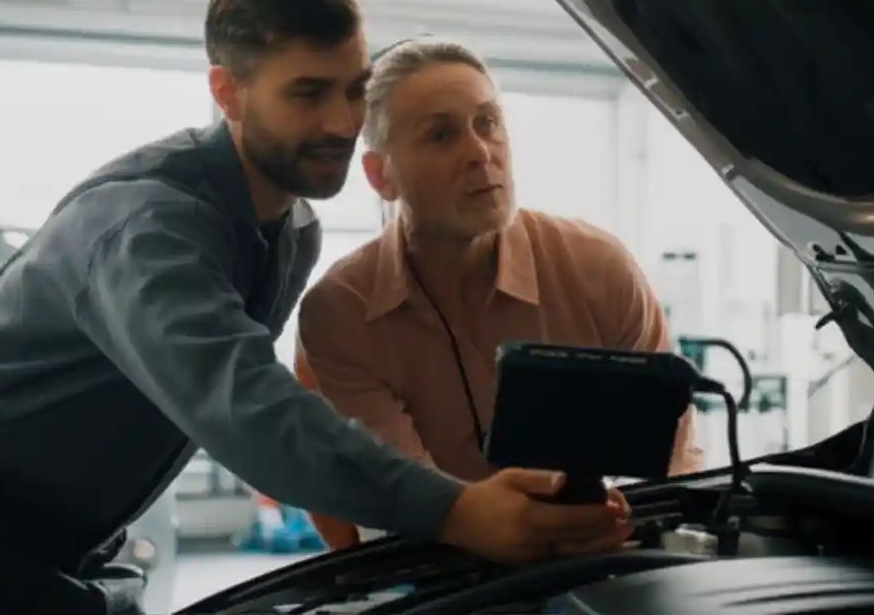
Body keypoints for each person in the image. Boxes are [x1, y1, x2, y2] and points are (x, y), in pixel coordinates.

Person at [0, 0, 631, 614]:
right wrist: (456, 510)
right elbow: (243, 406)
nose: (342, 122)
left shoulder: (293, 230)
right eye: (308, 93)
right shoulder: (146, 227)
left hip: (67, 545)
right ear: (229, 91)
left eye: (354, 90)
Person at [294, 37, 703, 550]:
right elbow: (402, 505)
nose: (479, 152)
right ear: (382, 176)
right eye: (441, 135)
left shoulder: (600, 270)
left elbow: (671, 468)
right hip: (441, 572)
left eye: (487, 123)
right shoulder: (342, 312)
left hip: (611, 557)